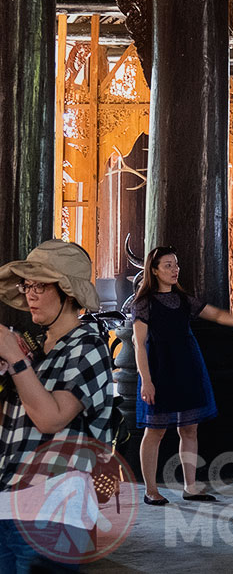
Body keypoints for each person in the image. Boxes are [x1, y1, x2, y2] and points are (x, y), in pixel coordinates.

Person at [0, 240, 114, 572]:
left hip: (53, 509)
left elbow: (51, 419)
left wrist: (17, 360)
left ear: (68, 292)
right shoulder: (32, 348)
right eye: (27, 285)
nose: (29, 294)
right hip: (7, 502)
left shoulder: (89, 345)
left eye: (40, 286)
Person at [132, 245, 233, 506]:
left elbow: (215, 314)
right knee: (154, 432)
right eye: (168, 265)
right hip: (159, 370)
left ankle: (191, 486)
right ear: (154, 270)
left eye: (176, 264)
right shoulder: (144, 304)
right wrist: (146, 380)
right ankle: (151, 490)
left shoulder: (184, 300)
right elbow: (138, 343)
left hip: (187, 367)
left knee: (189, 429)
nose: (175, 269)